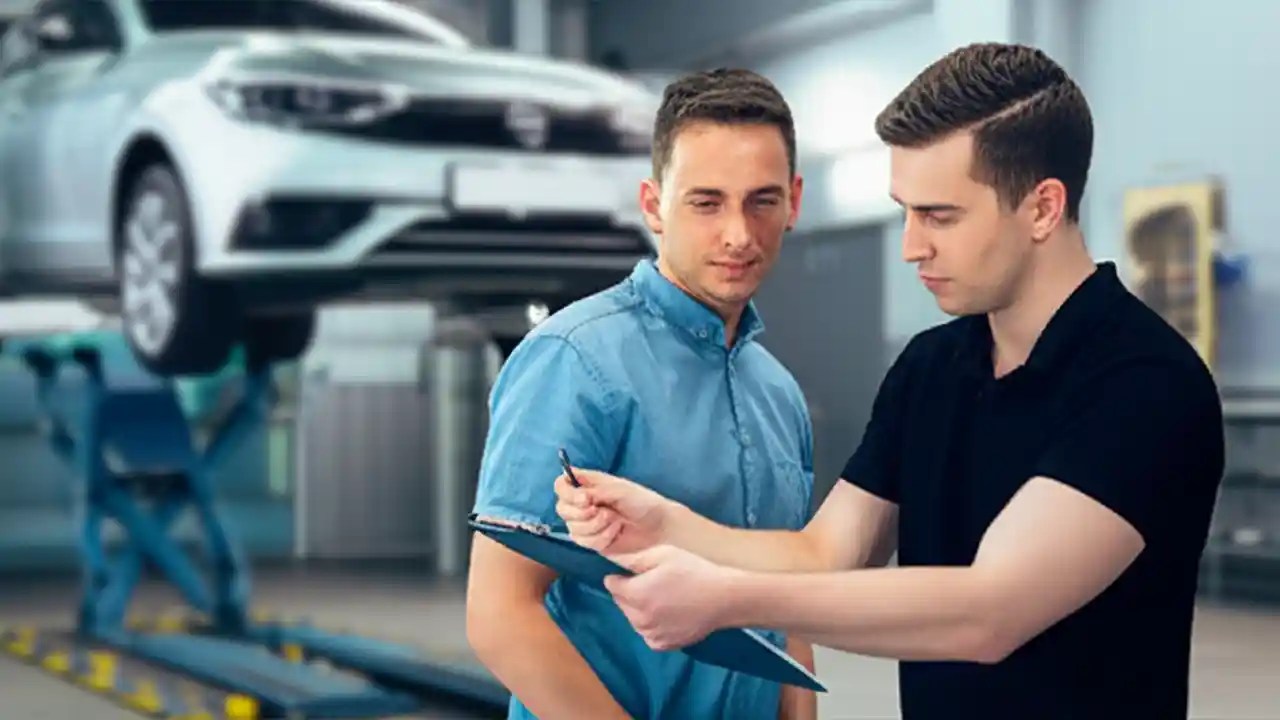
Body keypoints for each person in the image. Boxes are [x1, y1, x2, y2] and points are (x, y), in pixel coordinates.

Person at [555, 42, 1226, 720]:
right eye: (905, 211)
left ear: (1043, 208)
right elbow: (825, 555)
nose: (911, 246)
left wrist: (727, 598)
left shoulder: (1147, 384)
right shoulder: (930, 368)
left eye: (940, 216)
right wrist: (665, 526)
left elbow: (987, 613)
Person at [466, 67, 819, 720]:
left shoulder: (779, 395)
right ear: (654, 205)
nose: (739, 234)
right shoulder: (574, 360)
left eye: (762, 201)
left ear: (794, 200)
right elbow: (500, 612)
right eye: (706, 202)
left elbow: (783, 598)